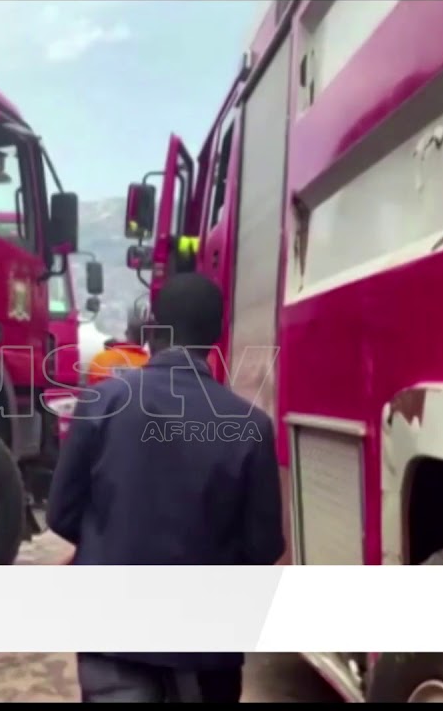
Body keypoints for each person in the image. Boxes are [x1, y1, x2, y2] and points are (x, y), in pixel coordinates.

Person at [46, 273, 285, 704]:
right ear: (216, 336)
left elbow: (61, 515)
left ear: (153, 331)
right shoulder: (252, 426)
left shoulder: (101, 403)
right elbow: (263, 547)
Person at [85, 310, 150, 386]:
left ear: (126, 332)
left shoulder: (102, 358)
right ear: (148, 338)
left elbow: (92, 390)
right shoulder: (149, 363)